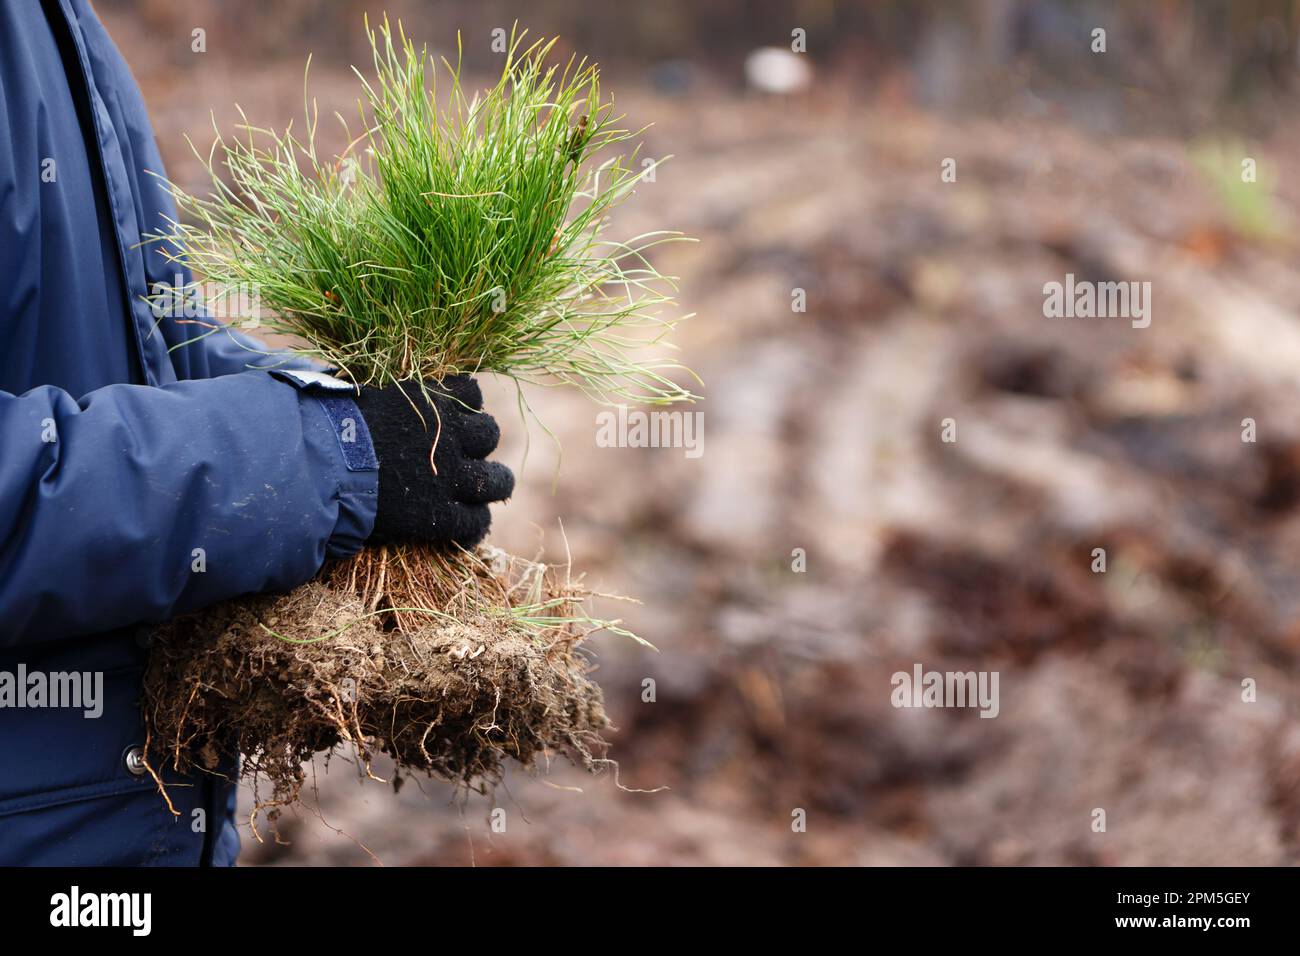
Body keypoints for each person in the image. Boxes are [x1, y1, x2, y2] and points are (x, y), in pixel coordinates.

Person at [0, 0, 513, 865]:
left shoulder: (59, 23)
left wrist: (344, 407)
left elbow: (150, 340)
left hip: (119, 824)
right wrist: (332, 457)